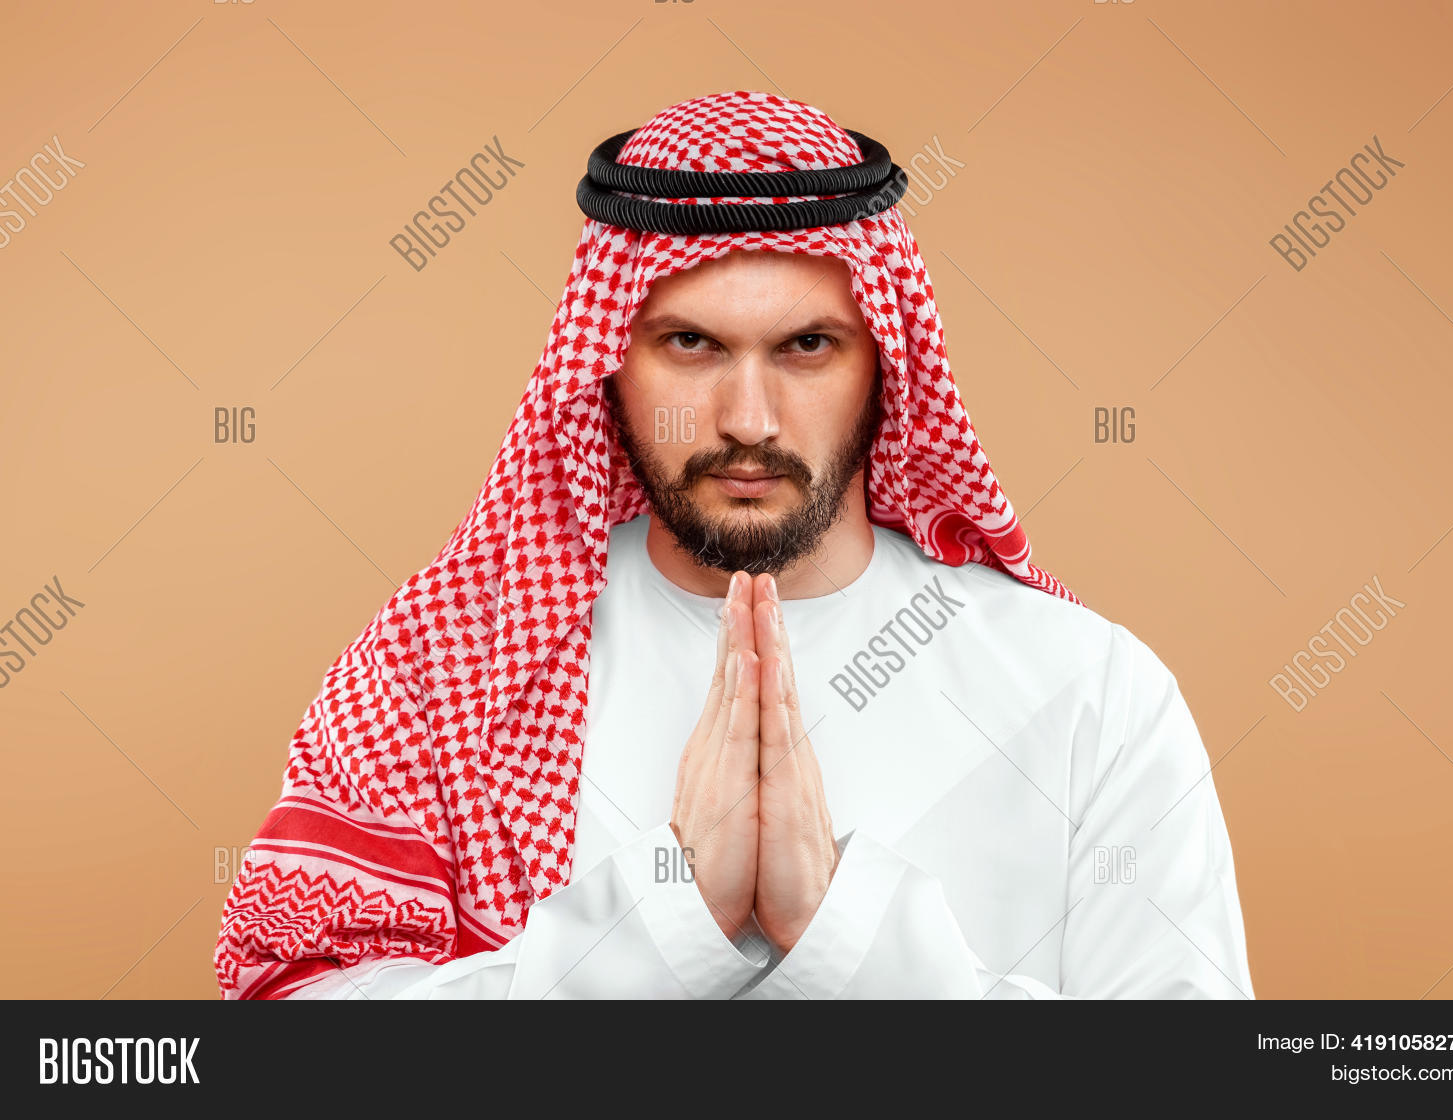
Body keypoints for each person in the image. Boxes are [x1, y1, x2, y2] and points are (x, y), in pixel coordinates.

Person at [214, 89, 1253, 999]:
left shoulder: (1091, 693)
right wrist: (660, 926)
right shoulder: (443, 667)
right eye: (691, 343)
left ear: (885, 366)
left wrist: (850, 934)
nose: (747, 417)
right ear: (608, 363)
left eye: (807, 346)